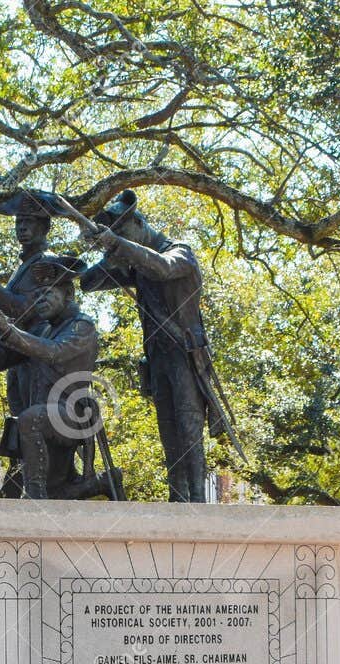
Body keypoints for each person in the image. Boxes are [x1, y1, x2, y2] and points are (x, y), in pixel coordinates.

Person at [77, 190, 228, 502]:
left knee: (189, 429)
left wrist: (118, 244)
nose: (120, 236)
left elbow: (163, 267)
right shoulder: (137, 265)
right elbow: (88, 283)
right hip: (158, 358)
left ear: (138, 223)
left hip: (186, 355)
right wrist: (107, 252)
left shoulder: (180, 253)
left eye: (122, 229)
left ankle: (198, 501)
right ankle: (177, 498)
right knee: (168, 432)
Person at [0, 256, 117, 500]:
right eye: (37, 295)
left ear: (68, 294)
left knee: (29, 419)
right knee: (58, 491)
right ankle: (100, 483)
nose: (40, 300)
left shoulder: (82, 326)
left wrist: (11, 331)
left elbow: (54, 352)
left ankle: (35, 498)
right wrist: (3, 332)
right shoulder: (43, 330)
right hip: (48, 416)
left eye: (48, 293)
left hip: (71, 415)